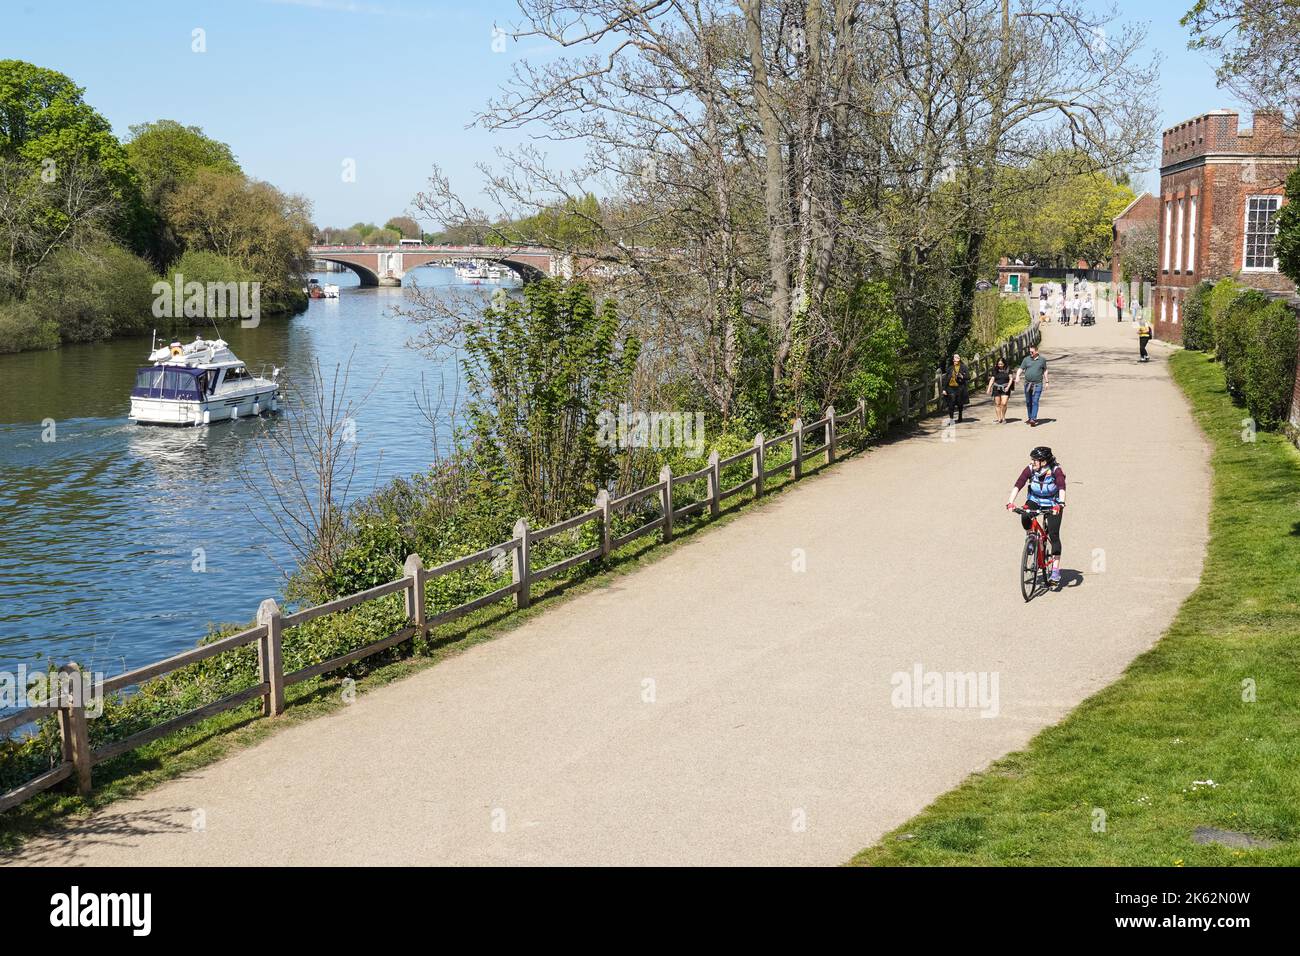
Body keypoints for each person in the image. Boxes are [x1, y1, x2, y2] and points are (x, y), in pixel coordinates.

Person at [1005, 446, 1067, 586]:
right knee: (1025, 515)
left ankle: (1055, 570)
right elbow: (1019, 483)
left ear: (1044, 461)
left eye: (1035, 460)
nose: (1032, 462)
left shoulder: (1056, 470)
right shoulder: (1031, 469)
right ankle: (1031, 537)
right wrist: (1010, 502)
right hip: (1035, 500)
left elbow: (1062, 486)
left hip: (1053, 503)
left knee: (1054, 534)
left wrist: (1060, 504)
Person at [1015, 344, 1049, 426]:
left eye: (1032, 352)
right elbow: (1021, 369)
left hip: (1038, 384)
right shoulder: (1026, 359)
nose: (1031, 353)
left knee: (1035, 401)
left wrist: (1047, 381)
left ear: (1037, 351)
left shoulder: (1042, 360)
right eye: (1030, 352)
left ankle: (1033, 419)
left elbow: (1045, 370)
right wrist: (1017, 376)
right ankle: (1030, 417)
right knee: (1028, 401)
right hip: (1027, 384)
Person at [941, 353, 969, 422]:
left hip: (960, 387)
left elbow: (968, 377)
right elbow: (946, 379)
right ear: (953, 359)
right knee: (951, 403)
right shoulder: (950, 368)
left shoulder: (963, 367)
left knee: (960, 403)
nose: (958, 358)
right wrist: (944, 389)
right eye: (956, 357)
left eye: (959, 357)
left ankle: (960, 416)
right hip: (950, 388)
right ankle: (951, 419)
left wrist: (962, 376)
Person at [986, 357, 1013, 423]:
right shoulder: (995, 370)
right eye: (998, 364)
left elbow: (1011, 379)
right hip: (996, 388)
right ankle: (999, 419)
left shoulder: (1008, 369)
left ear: (1004, 364)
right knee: (997, 404)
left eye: (1001, 364)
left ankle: (1003, 418)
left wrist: (1008, 387)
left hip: (1005, 388)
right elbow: (992, 379)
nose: (1000, 365)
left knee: (1003, 403)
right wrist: (989, 388)